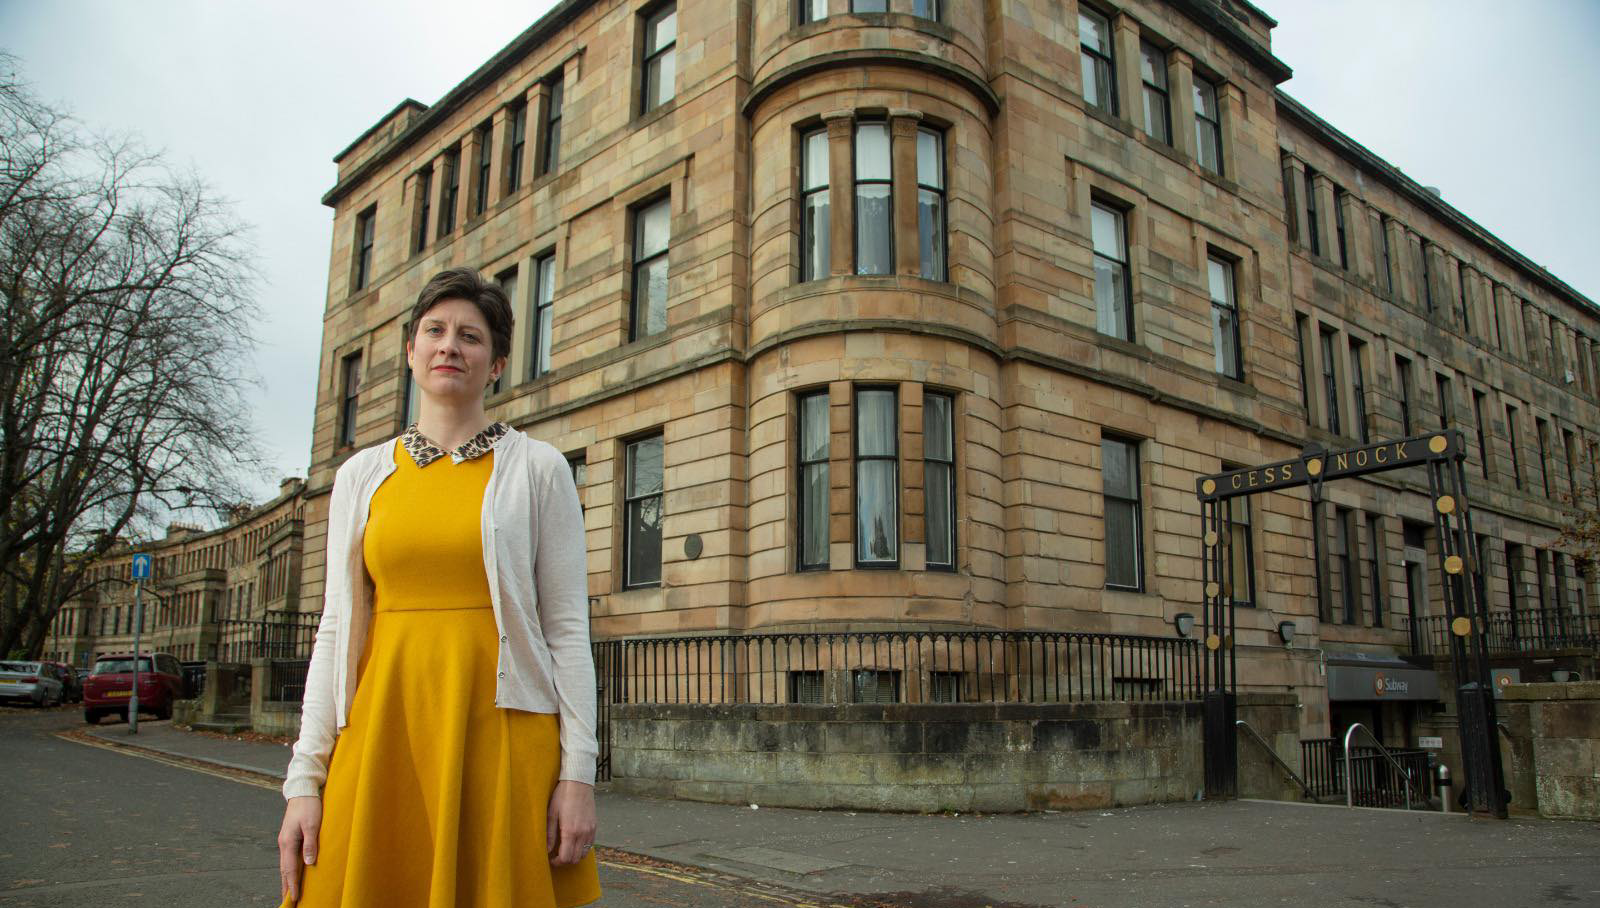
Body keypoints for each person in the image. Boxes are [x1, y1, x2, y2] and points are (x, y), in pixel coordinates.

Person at [276, 267, 602, 906]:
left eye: (471, 337)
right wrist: (302, 782)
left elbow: (567, 630)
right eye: (435, 330)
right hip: (381, 733)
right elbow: (336, 627)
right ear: (411, 353)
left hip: (503, 739)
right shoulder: (360, 476)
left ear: (499, 362)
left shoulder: (538, 470)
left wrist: (578, 776)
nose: (450, 346)